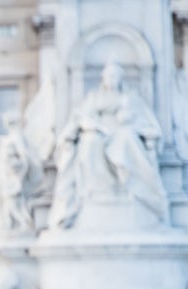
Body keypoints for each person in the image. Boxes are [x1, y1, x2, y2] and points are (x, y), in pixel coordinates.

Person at [49, 61, 166, 229]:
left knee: (127, 139)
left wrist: (131, 121)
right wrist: (89, 126)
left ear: (120, 78)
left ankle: (133, 185)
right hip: (98, 132)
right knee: (89, 142)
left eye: (114, 76)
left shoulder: (129, 97)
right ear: (103, 78)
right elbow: (81, 117)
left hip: (123, 131)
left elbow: (143, 119)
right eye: (108, 76)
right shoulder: (94, 97)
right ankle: (97, 190)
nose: (111, 79)